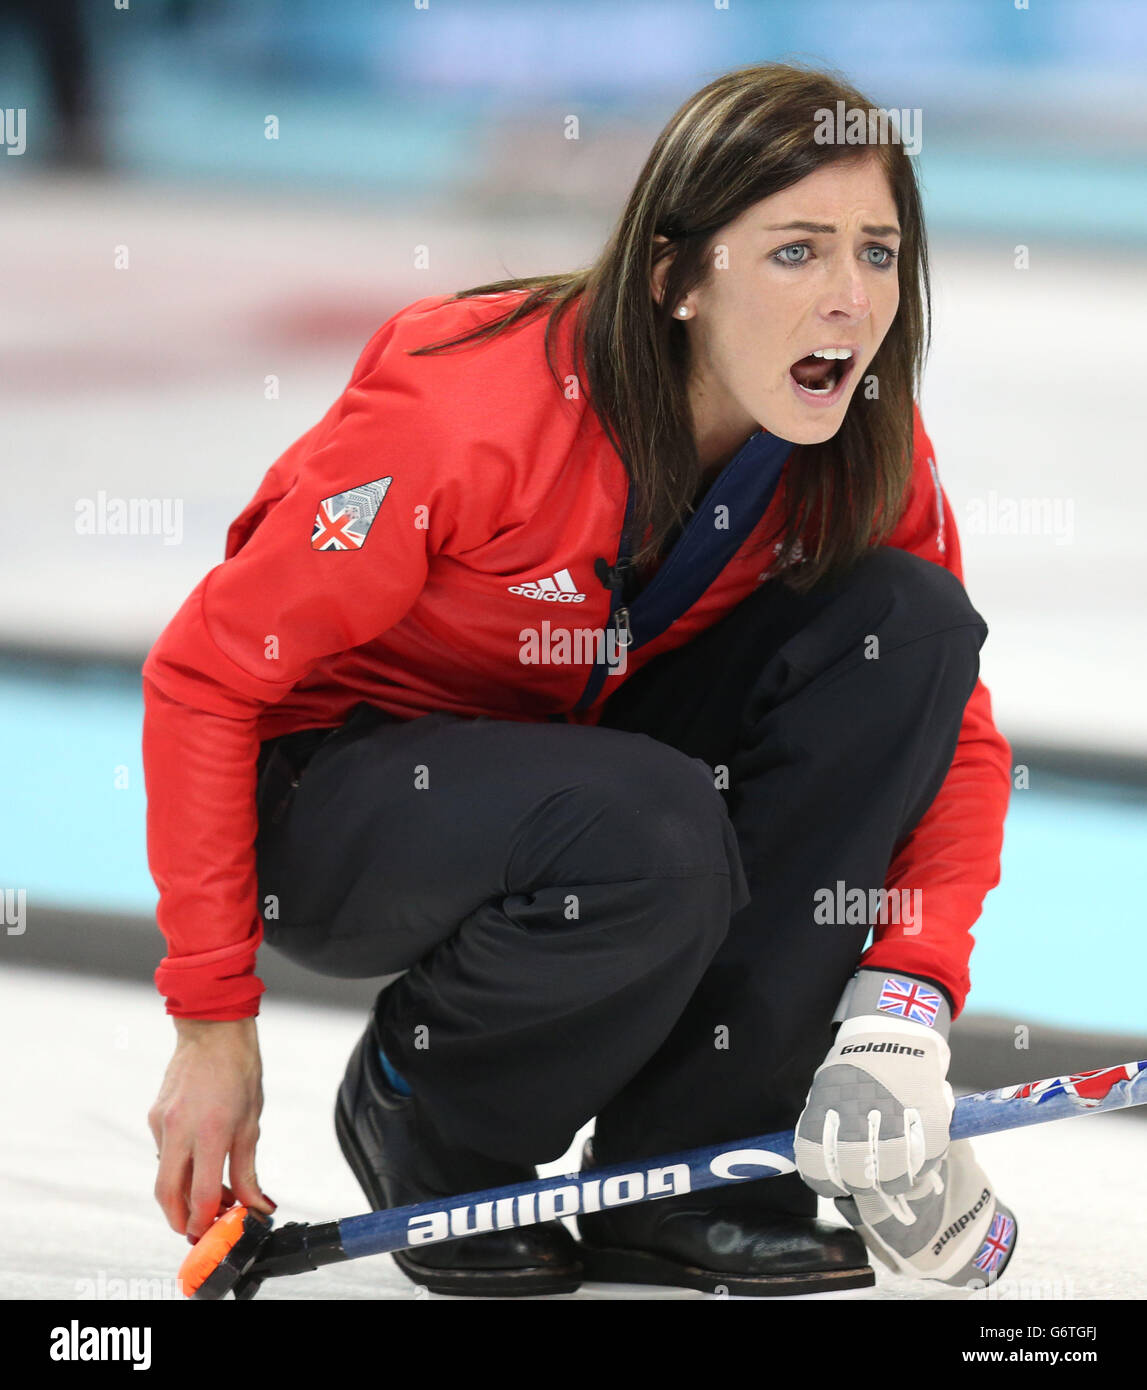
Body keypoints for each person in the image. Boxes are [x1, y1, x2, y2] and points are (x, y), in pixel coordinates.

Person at [144, 61, 1016, 1299]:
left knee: (909, 627)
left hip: (586, 755)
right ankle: (429, 1118)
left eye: (877, 252)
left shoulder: (857, 439)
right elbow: (203, 677)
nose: (848, 300)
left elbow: (950, 737)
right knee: (643, 821)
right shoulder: (466, 412)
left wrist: (906, 1003)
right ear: (674, 274)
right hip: (335, 790)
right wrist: (211, 1020)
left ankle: (696, 1160)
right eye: (795, 252)